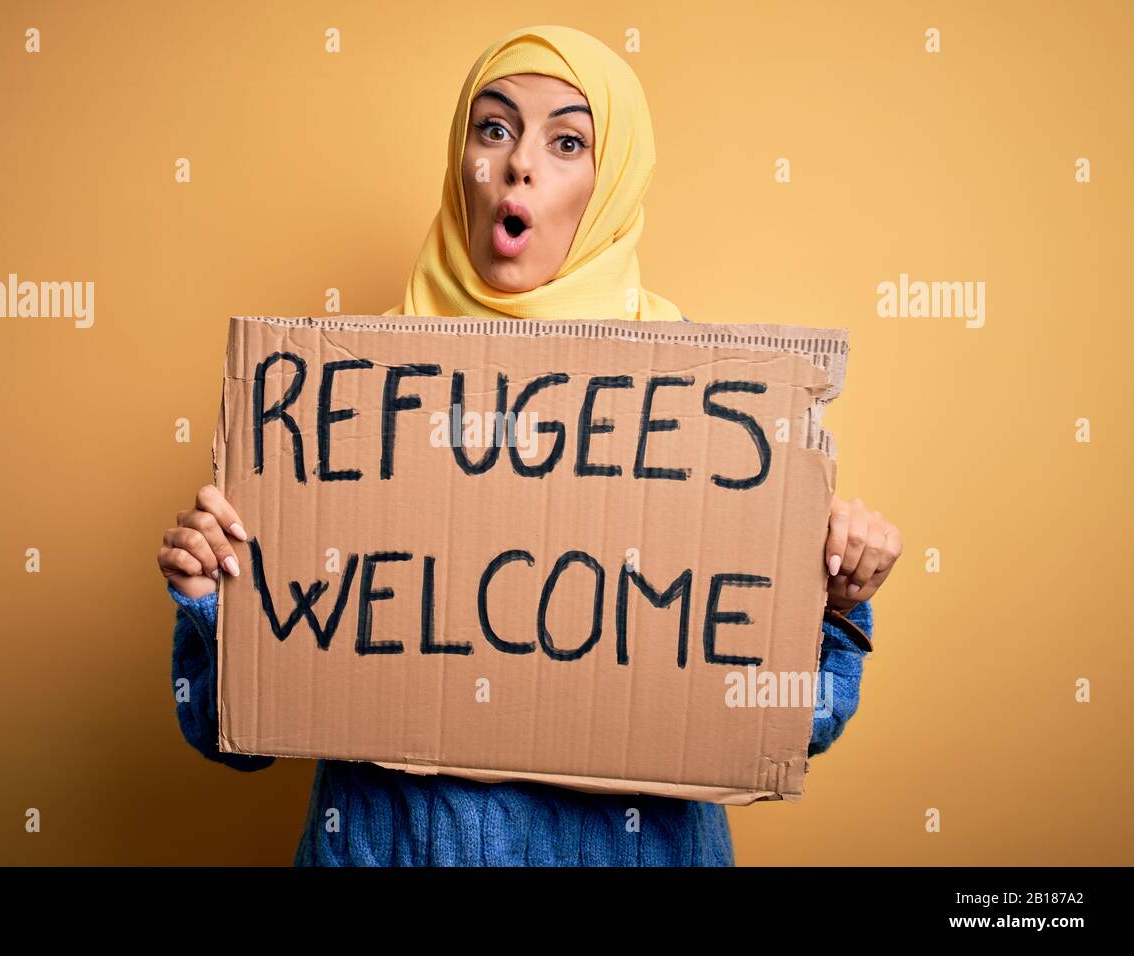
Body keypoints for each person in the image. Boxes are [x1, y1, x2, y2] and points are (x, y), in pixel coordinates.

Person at [156, 25, 902, 866]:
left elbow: (796, 726)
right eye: (495, 128)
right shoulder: (336, 400)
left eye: (568, 140)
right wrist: (211, 602)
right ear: (463, 162)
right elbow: (229, 733)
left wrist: (832, 605)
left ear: (610, 182)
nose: (519, 164)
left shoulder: (709, 406)